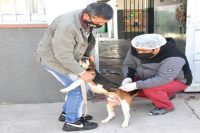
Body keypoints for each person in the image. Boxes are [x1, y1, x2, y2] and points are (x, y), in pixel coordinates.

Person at [36, 2, 113, 131]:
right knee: (78, 88)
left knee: (77, 87)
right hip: (54, 60)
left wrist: (90, 55)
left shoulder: (88, 19)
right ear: (88, 16)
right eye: (99, 22)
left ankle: (67, 114)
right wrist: (82, 72)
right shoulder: (67, 26)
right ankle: (72, 122)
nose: (101, 25)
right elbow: (63, 55)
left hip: (66, 58)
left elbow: (89, 39)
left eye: (104, 22)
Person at [120, 34, 193, 115]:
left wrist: (136, 85)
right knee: (127, 89)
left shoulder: (174, 57)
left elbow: (162, 79)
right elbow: (129, 64)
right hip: (151, 76)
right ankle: (168, 95)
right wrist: (128, 77)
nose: (139, 52)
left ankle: (166, 106)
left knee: (149, 89)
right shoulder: (137, 47)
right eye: (138, 50)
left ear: (155, 49)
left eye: (143, 51)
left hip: (177, 80)